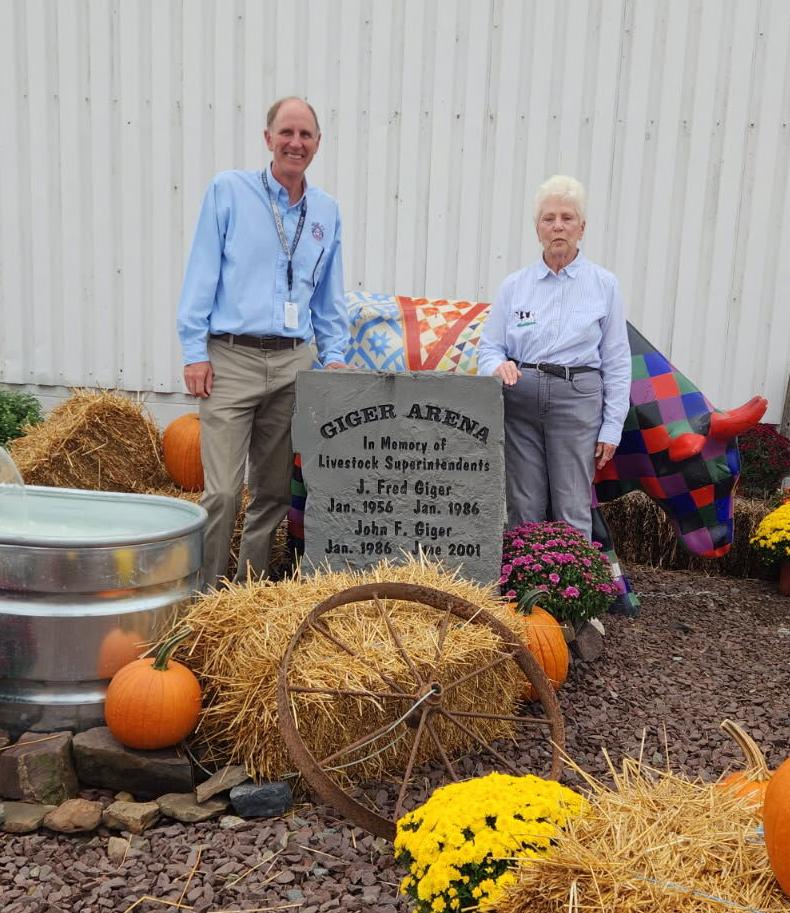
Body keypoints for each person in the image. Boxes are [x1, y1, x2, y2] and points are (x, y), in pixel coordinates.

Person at [177, 97, 349, 587]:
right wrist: (194, 351)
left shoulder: (326, 212)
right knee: (223, 493)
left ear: (318, 145)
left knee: (272, 491)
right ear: (268, 137)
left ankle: (246, 597)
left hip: (294, 363)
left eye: (306, 135)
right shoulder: (228, 192)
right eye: (287, 133)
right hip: (231, 357)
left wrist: (333, 356)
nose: (296, 143)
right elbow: (201, 273)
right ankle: (204, 597)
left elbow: (329, 297)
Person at [477, 174, 630, 540]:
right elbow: (489, 347)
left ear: (582, 228)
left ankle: (572, 596)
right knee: (523, 503)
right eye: (549, 219)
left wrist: (612, 426)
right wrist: (497, 366)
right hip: (521, 399)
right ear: (538, 229)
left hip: (577, 398)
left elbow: (617, 361)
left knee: (571, 505)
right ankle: (522, 594)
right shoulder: (515, 285)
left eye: (567, 218)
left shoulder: (604, 285)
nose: (557, 226)